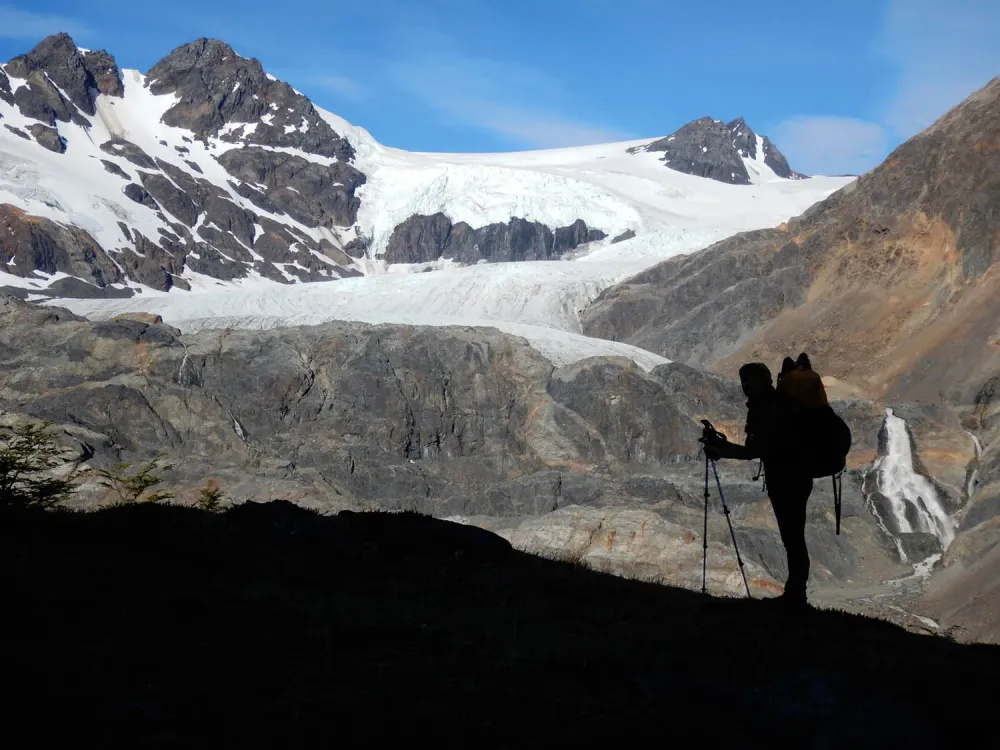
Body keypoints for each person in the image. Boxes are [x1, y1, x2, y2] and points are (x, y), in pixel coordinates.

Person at [702, 362, 812, 608]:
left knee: (792, 536)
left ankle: (796, 596)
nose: (745, 386)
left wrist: (722, 449)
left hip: (787, 478)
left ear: (764, 381)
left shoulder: (767, 407)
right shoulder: (777, 404)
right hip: (795, 476)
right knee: (793, 536)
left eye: (749, 381)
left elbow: (756, 450)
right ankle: (796, 593)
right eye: (743, 381)